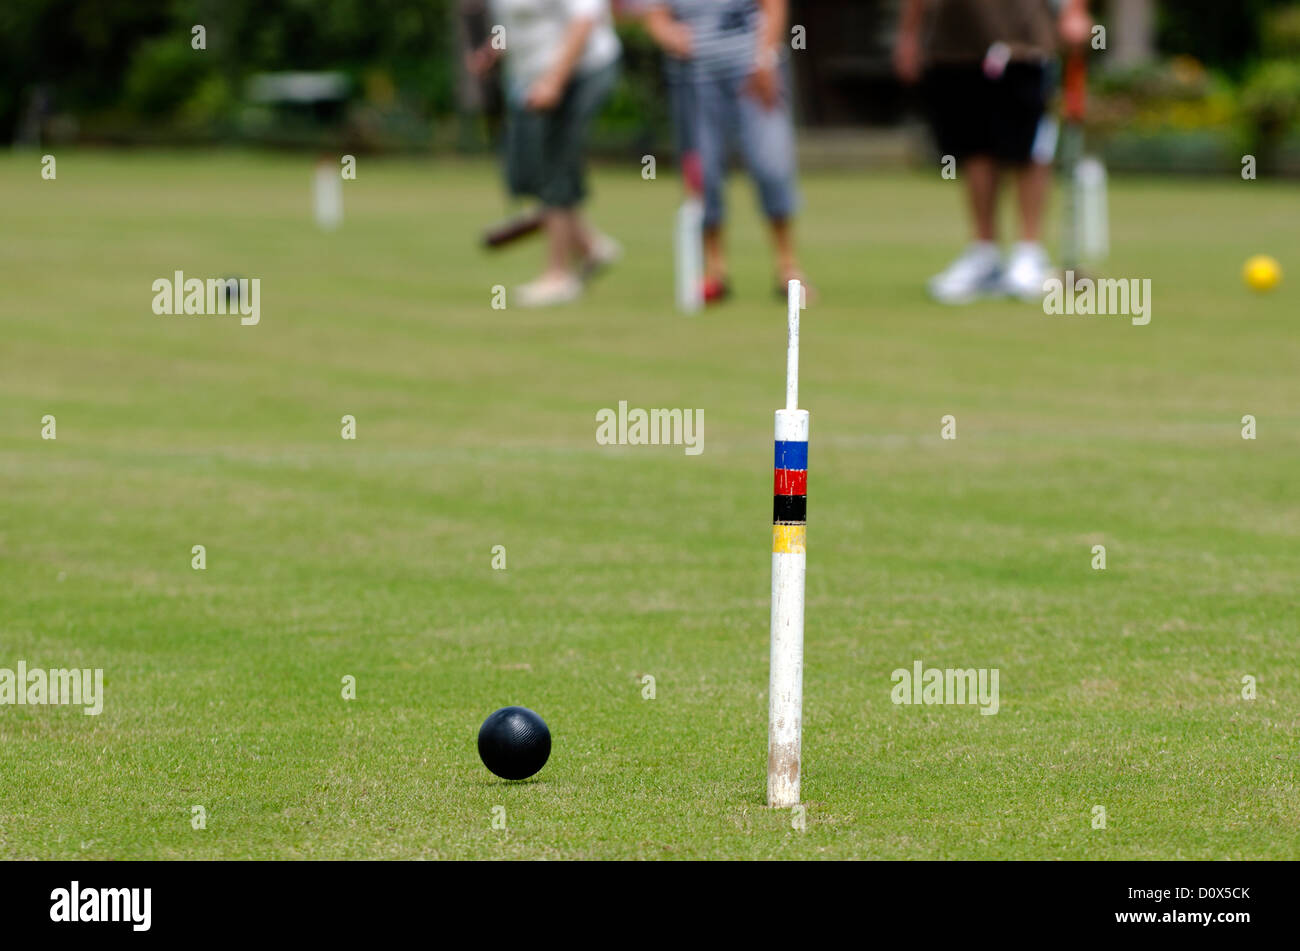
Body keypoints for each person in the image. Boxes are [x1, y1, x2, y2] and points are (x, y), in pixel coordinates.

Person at [894, 0, 1091, 303]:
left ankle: (1029, 254)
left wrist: (1074, 11)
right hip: (954, 45)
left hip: (1026, 42)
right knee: (974, 149)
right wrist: (909, 33)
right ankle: (984, 254)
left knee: (1029, 150)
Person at [642, 0, 808, 304]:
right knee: (704, 174)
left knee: (771, 164)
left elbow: (773, 6)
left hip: (753, 71)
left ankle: (787, 266)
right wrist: (669, 34)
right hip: (693, 77)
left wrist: (765, 60)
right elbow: (654, 15)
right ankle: (714, 270)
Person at [467, 0, 623, 307]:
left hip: (580, 71)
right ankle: (590, 245)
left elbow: (584, 23)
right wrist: (492, 50)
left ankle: (558, 276)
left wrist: (554, 81)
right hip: (531, 79)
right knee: (528, 172)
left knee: (555, 162)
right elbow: (515, 27)